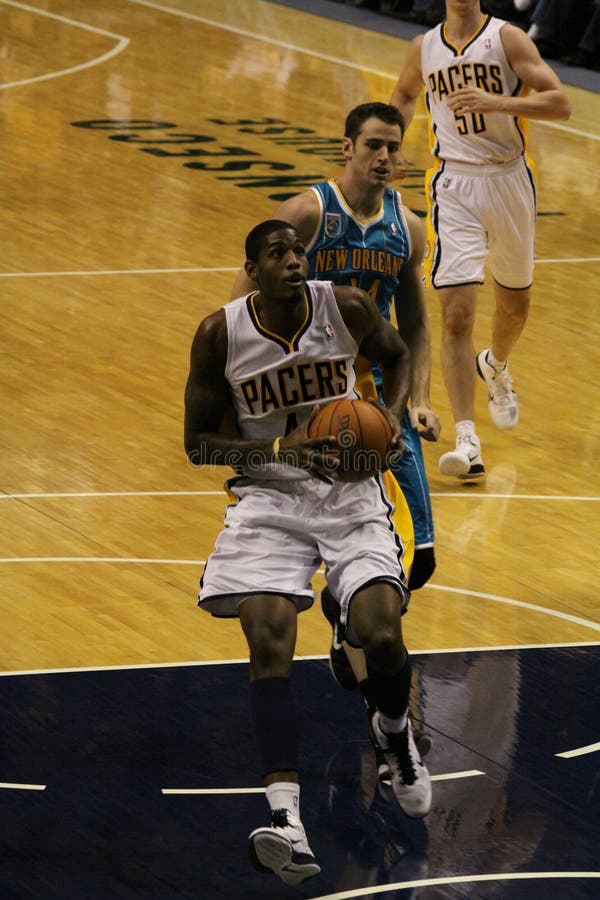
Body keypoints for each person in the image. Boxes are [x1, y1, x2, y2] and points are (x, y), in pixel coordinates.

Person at [185, 220, 432, 887]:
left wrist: (393, 417)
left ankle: (393, 733)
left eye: (299, 252)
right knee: (269, 637)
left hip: (349, 494)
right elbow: (198, 443)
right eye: (279, 254)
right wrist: (275, 451)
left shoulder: (344, 307)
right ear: (253, 270)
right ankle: (287, 819)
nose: (295, 261)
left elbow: (397, 353)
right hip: (268, 496)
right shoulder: (219, 336)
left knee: (381, 637)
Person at [230, 102, 441, 773]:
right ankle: (381, 708)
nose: (385, 158)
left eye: (394, 148)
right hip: (306, 403)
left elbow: (415, 325)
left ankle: (346, 618)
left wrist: (418, 401)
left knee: (422, 559)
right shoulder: (307, 213)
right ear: (346, 148)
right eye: (373, 145)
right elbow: (237, 310)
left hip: (373, 403)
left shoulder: (408, 228)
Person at [390, 0, 572, 479]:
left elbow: (560, 102)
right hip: (453, 182)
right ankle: (467, 441)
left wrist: (499, 102)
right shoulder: (423, 48)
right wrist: (392, 146)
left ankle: (494, 363)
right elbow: (404, 95)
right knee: (455, 314)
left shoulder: (507, 38)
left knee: (515, 306)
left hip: (510, 179)